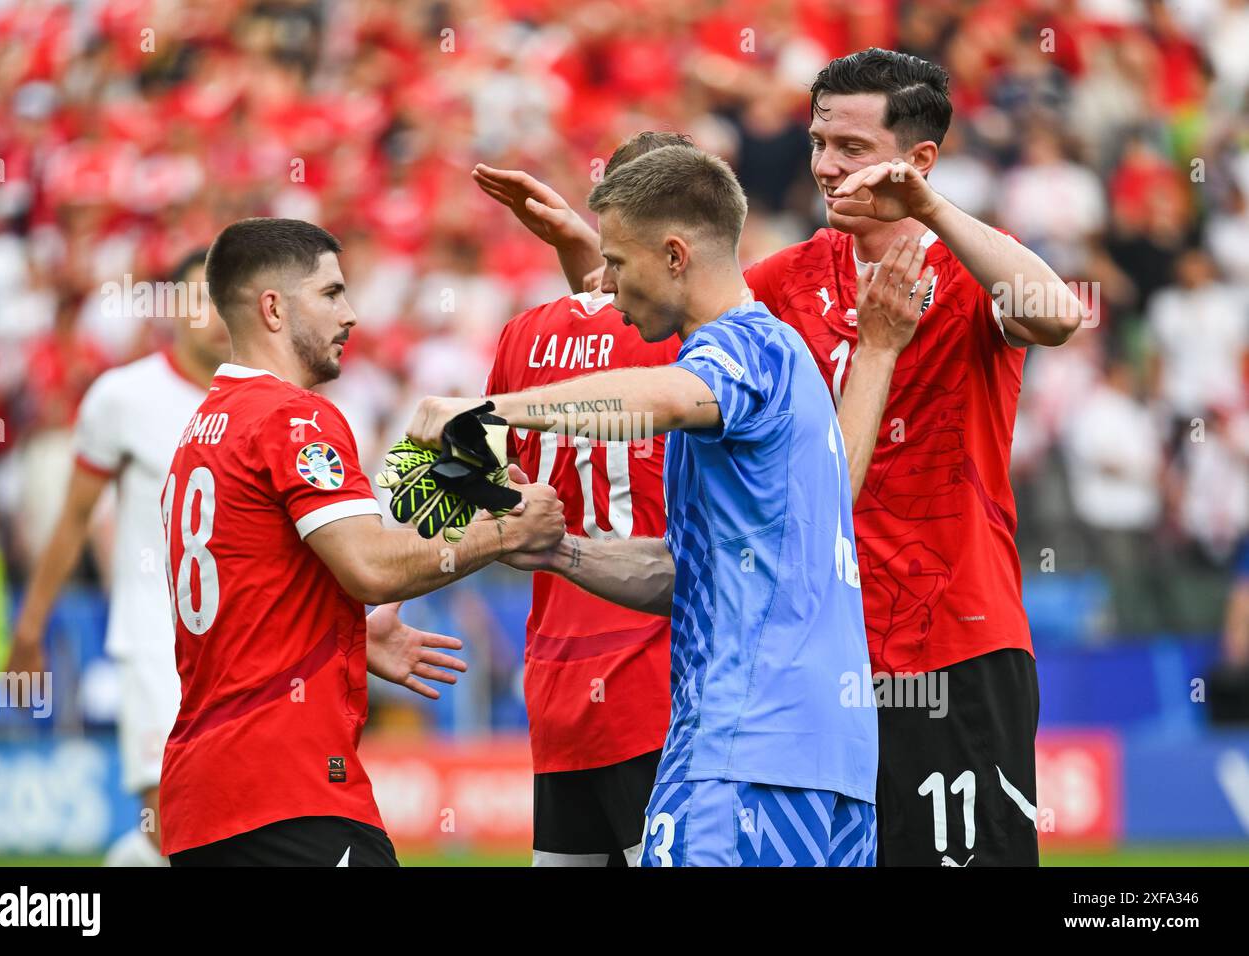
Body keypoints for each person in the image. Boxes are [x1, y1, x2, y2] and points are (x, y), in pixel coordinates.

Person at [473, 48, 1088, 866]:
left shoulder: (968, 268)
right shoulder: (787, 281)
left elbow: (1057, 316)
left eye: (853, 149)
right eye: (817, 143)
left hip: (951, 647)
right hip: (816, 664)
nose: (827, 167)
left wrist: (934, 212)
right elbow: (671, 301)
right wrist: (590, 250)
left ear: (919, 160)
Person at [412, 144, 927, 866]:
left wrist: (491, 408)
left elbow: (662, 398)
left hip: (736, 756)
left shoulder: (740, 351)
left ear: (676, 255)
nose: (608, 292)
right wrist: (565, 552)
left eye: (617, 266)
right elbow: (689, 574)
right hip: (826, 766)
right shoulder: (787, 364)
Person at [161, 218, 564, 867]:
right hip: (289, 792)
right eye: (331, 293)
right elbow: (370, 567)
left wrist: (341, 631)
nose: (350, 315)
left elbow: (260, 583)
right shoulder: (294, 417)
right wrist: (510, 527)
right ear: (273, 307)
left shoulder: (201, 430)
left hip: (204, 803)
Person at [483, 131, 686, 868]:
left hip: (556, 672)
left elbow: (472, 474)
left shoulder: (521, 335)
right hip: (656, 669)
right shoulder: (690, 338)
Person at [7, 250, 228, 866]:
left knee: (227, 820)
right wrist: (30, 627)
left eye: (221, 298)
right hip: (155, 632)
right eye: (195, 299)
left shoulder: (267, 402)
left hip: (245, 644)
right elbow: (75, 517)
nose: (209, 315)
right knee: (171, 819)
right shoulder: (123, 397)